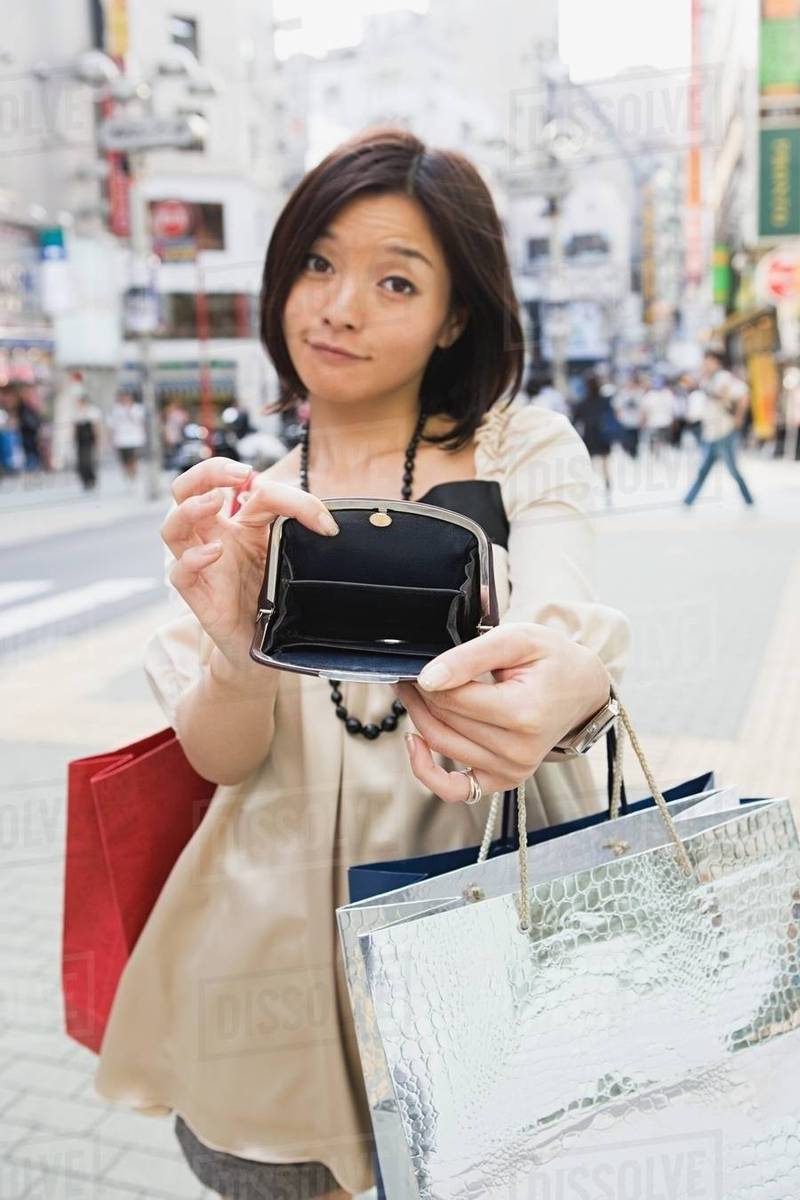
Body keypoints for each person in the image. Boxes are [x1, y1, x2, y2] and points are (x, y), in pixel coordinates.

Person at [93, 127, 630, 1200]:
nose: (338, 306)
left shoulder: (516, 448)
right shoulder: (244, 502)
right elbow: (223, 760)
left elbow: (564, 628)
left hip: (493, 925)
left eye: (395, 280)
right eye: (316, 263)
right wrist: (234, 642)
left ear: (455, 315)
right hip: (265, 957)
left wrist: (564, 690)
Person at [683, 347, 754, 508]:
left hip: (724, 430)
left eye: (707, 361)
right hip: (711, 431)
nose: (705, 365)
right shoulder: (708, 379)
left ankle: (748, 498)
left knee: (732, 469)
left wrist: (738, 418)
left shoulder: (724, 377)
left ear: (715, 362)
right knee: (704, 469)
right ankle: (688, 500)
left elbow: (744, 395)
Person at [571, 370, 615, 500]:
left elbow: (575, 421)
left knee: (589, 463)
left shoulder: (582, 403)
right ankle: (607, 485)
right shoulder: (605, 401)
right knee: (605, 463)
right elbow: (612, 416)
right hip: (603, 435)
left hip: (590, 435)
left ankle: (589, 486)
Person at [109, 389, 146, 483]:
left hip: (134, 438)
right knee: (124, 460)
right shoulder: (116, 410)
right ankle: (128, 474)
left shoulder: (137, 408)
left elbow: (141, 422)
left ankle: (133, 474)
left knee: (133, 458)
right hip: (121, 440)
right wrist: (112, 439)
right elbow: (112, 425)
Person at [71, 393, 103, 490]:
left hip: (89, 439)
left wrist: (98, 439)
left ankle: (91, 479)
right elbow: (74, 427)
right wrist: (72, 439)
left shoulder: (92, 411)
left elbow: (96, 427)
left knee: (88, 461)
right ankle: (84, 480)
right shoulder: (76, 412)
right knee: (80, 462)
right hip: (80, 440)